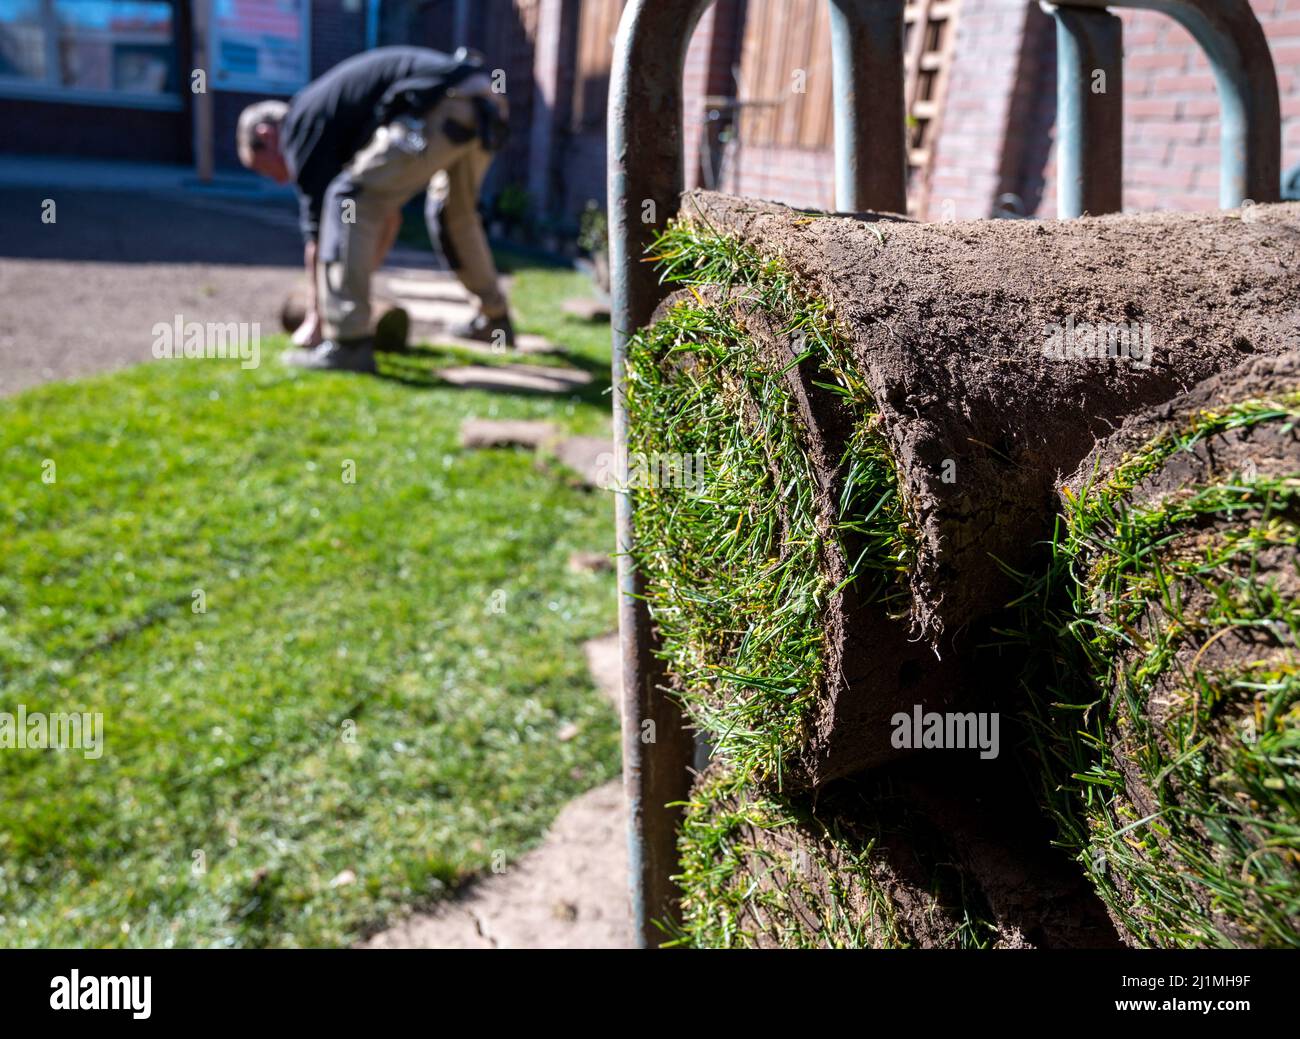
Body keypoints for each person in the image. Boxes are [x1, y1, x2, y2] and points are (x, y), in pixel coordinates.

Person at [237, 46, 513, 372]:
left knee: (348, 199)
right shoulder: (328, 114)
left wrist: (318, 316)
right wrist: (359, 282)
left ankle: (347, 343)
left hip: (440, 102)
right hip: (483, 99)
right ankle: (495, 321)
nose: (278, 180)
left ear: (266, 136)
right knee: (455, 215)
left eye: (265, 168)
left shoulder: (301, 128)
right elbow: (386, 214)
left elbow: (320, 238)